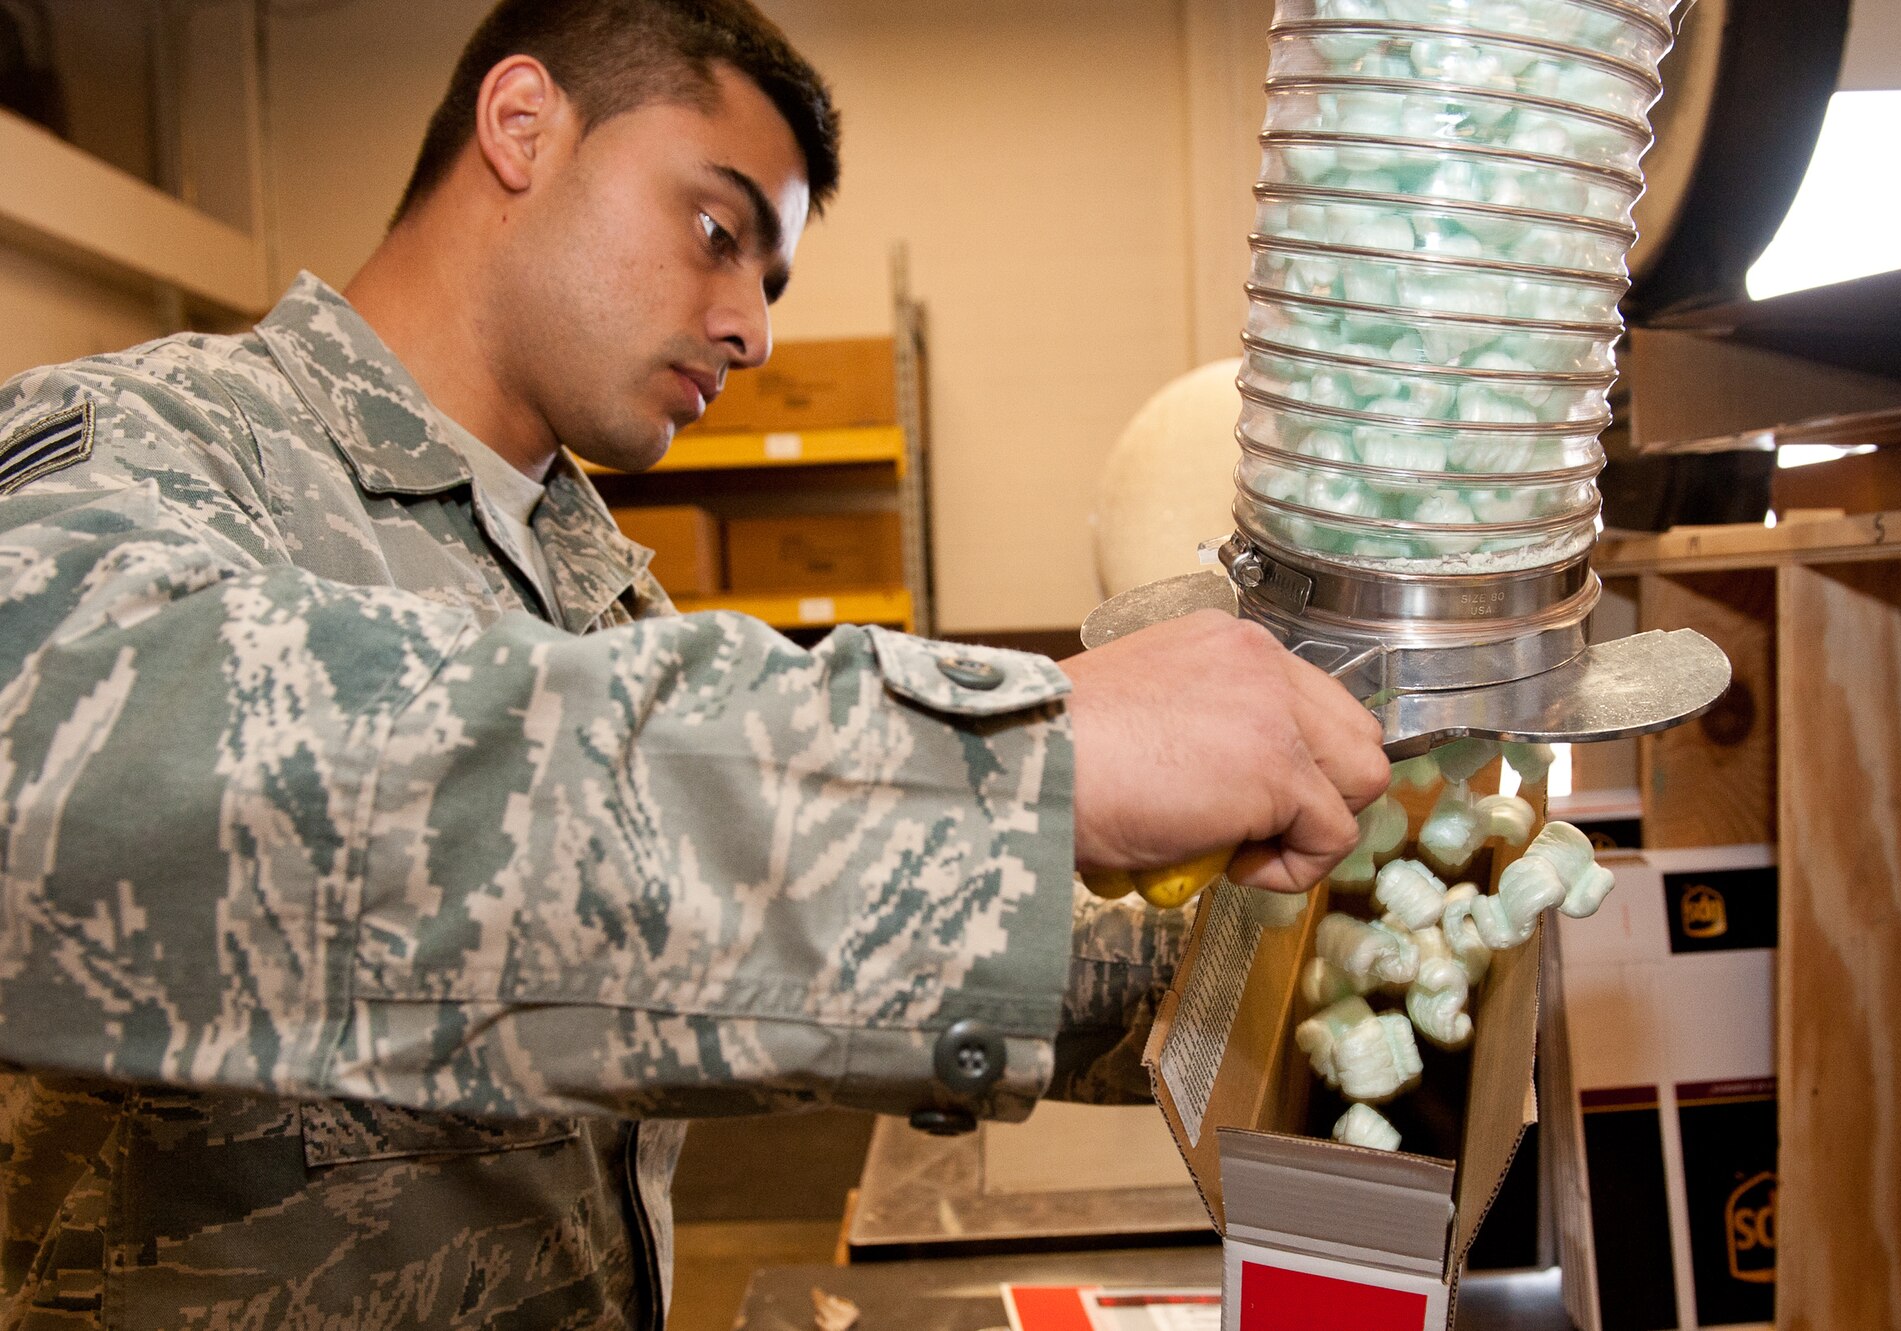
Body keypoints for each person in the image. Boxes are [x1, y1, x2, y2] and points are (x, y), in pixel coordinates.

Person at [0, 1, 1388, 1326]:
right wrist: (1025, 758)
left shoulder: (596, 600)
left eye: (768, 279)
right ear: (524, 123)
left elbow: (759, 926)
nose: (753, 328)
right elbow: (83, 771)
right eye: (716, 230)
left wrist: (1301, 957)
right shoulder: (148, 447)